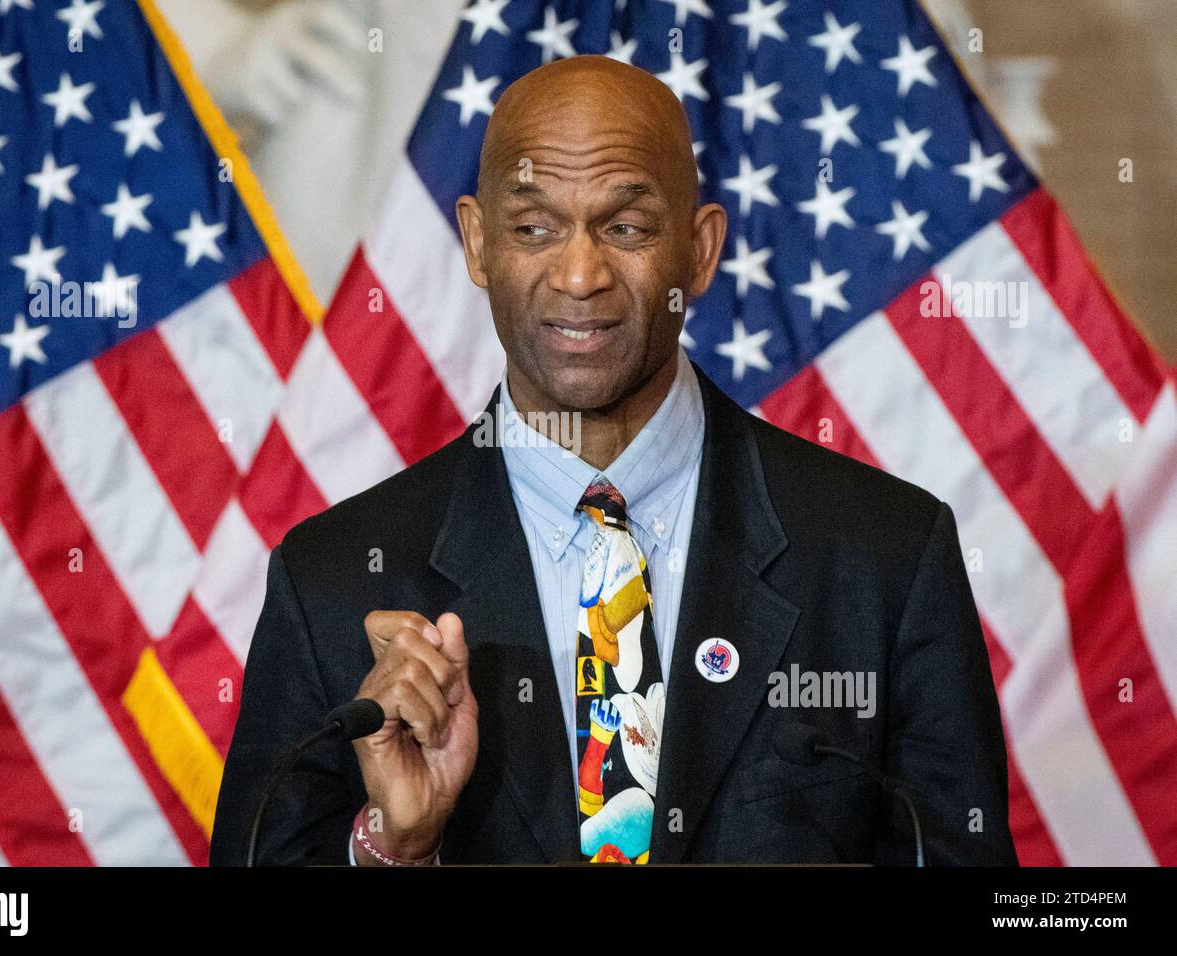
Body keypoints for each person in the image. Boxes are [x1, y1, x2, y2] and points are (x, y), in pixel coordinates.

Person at [209, 55, 1017, 866]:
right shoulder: (334, 583)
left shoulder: (886, 558)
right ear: (478, 244)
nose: (579, 274)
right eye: (533, 229)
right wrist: (395, 845)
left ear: (699, 252)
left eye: (625, 228)